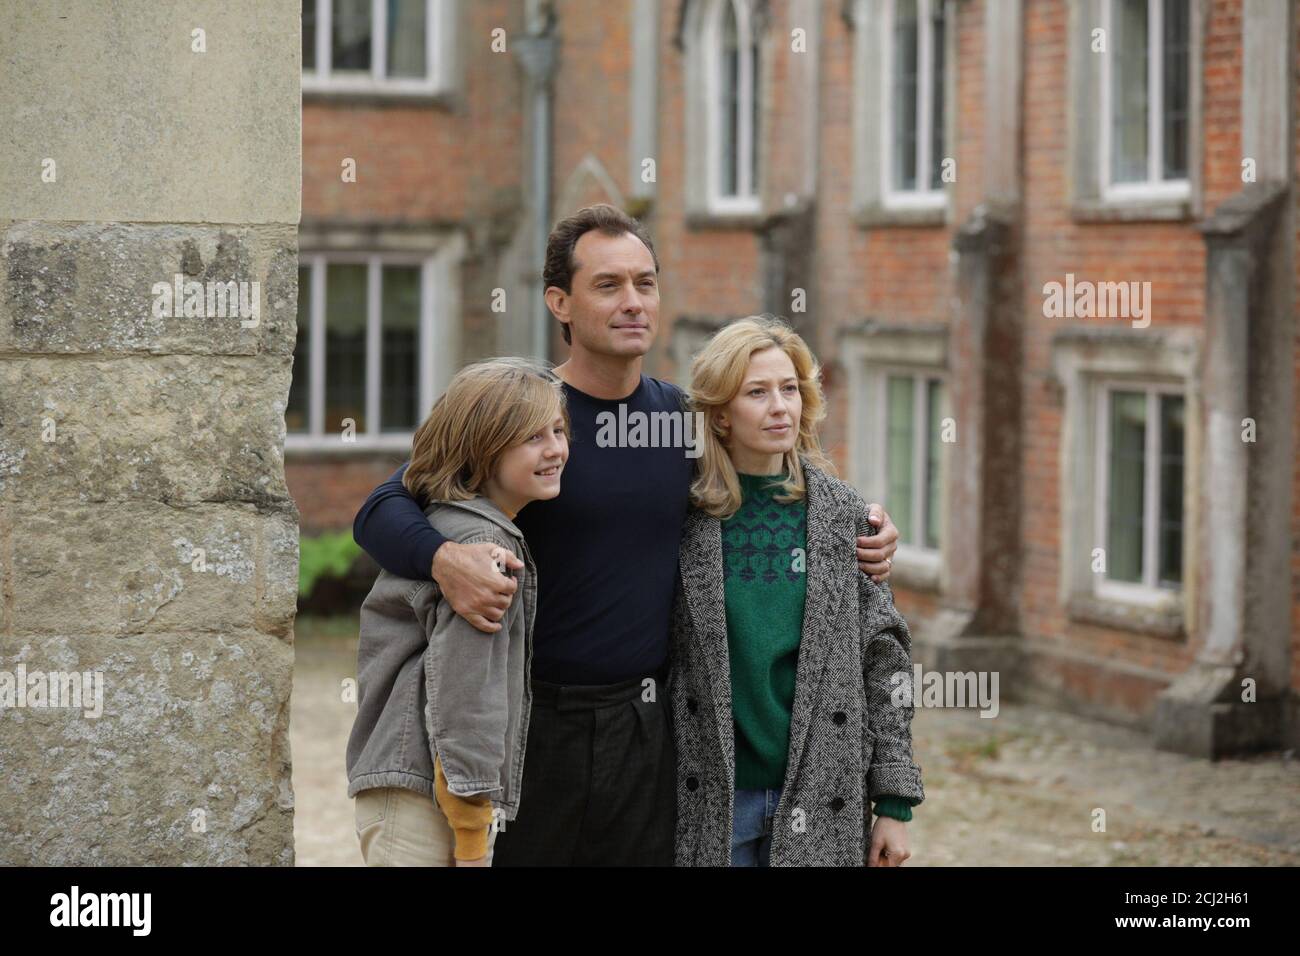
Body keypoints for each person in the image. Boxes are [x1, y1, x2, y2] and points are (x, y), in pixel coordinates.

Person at [351, 203, 900, 865]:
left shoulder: (682, 422)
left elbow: (776, 475)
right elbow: (382, 507)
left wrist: (866, 526)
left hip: (647, 727)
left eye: (646, 283)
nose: (633, 301)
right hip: (531, 722)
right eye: (608, 285)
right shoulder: (524, 415)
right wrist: (443, 559)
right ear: (560, 301)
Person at [669, 316, 924, 867]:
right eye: (757, 392)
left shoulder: (842, 514)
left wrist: (895, 804)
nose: (780, 406)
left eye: (790, 389)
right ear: (719, 415)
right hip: (710, 798)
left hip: (823, 795)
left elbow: (886, 662)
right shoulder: (682, 515)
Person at [345, 358, 568, 866]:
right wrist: (472, 838)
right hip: (428, 802)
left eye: (558, 429)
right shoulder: (484, 546)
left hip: (406, 787)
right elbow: (467, 703)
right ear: (483, 450)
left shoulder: (445, 521)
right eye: (532, 437)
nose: (555, 448)